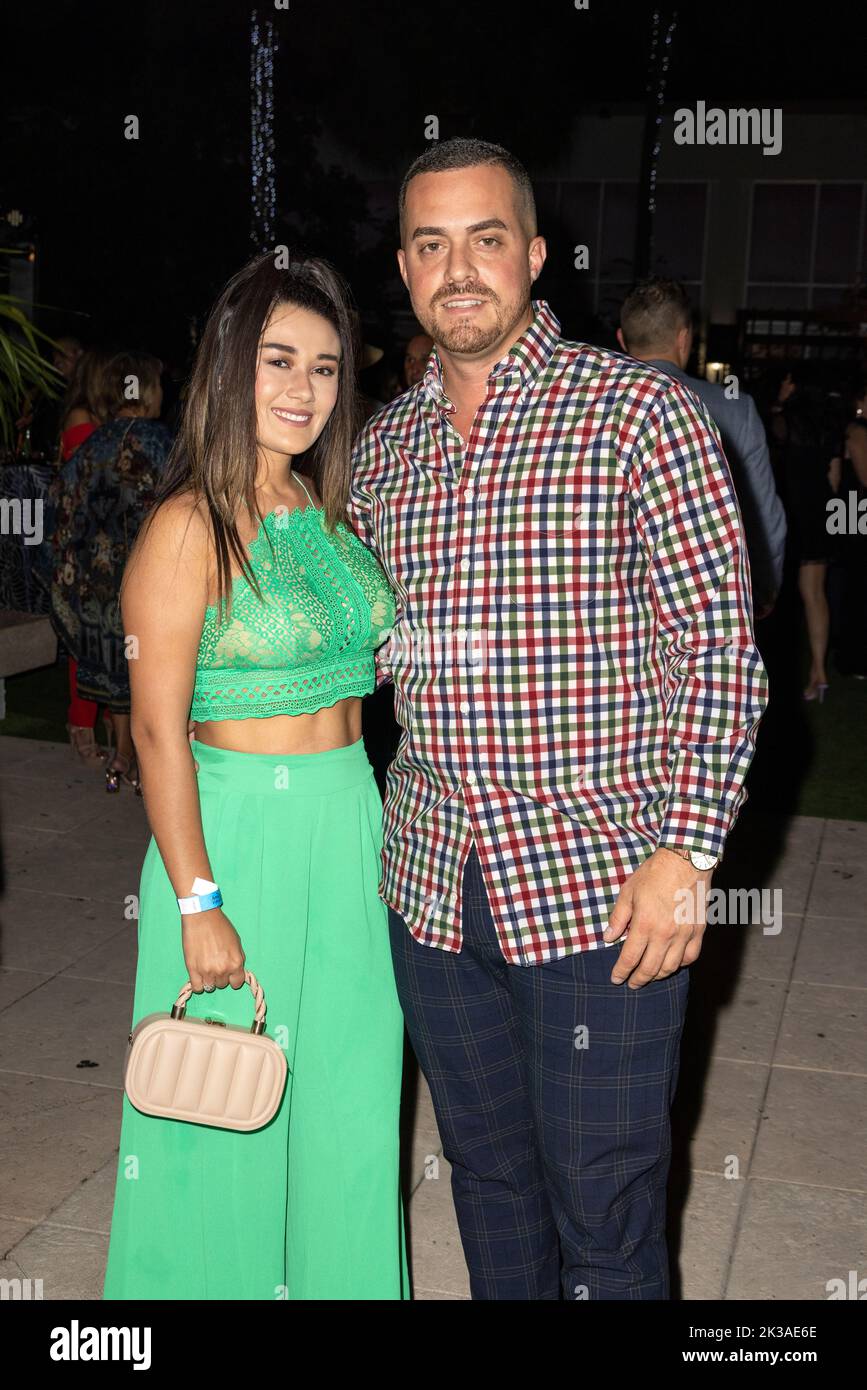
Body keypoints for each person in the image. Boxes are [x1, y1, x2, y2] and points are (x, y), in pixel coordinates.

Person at [345, 137, 768, 1301]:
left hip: (600, 888)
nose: (459, 267)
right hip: (432, 884)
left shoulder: (642, 416)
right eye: (431, 244)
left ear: (535, 254)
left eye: (487, 238)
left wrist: (687, 850)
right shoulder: (384, 449)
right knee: (487, 1179)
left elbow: (719, 654)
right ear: (406, 267)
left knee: (607, 1207)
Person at [102, 252, 408, 1300]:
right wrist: (198, 898)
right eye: (279, 360)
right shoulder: (185, 527)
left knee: (352, 1108)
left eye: (325, 368)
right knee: (223, 1112)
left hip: (350, 826)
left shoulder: (329, 512)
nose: (303, 389)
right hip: (237, 838)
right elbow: (153, 732)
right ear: (231, 368)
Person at [616, 277, 786, 620]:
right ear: (685, 338)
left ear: (621, 340)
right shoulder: (735, 409)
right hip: (705, 598)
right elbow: (766, 517)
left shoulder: (587, 408)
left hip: (615, 599)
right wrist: (765, 587)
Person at [50, 351, 172, 789]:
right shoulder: (163, 445)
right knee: (148, 672)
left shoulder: (91, 446)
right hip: (152, 584)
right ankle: (139, 759)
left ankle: (121, 754)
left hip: (100, 591)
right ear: (149, 391)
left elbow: (60, 511)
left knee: (118, 668)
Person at [766, 370, 838, 701]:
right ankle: (819, 672)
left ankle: (774, 670)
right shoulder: (829, 425)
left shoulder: (782, 422)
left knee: (773, 592)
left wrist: (779, 404)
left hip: (787, 509)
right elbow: (834, 479)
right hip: (819, 509)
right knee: (814, 593)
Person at [834, 378, 867, 678]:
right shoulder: (857, 430)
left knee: (854, 583)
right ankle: (852, 657)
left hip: (853, 511)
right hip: (854, 512)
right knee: (855, 584)